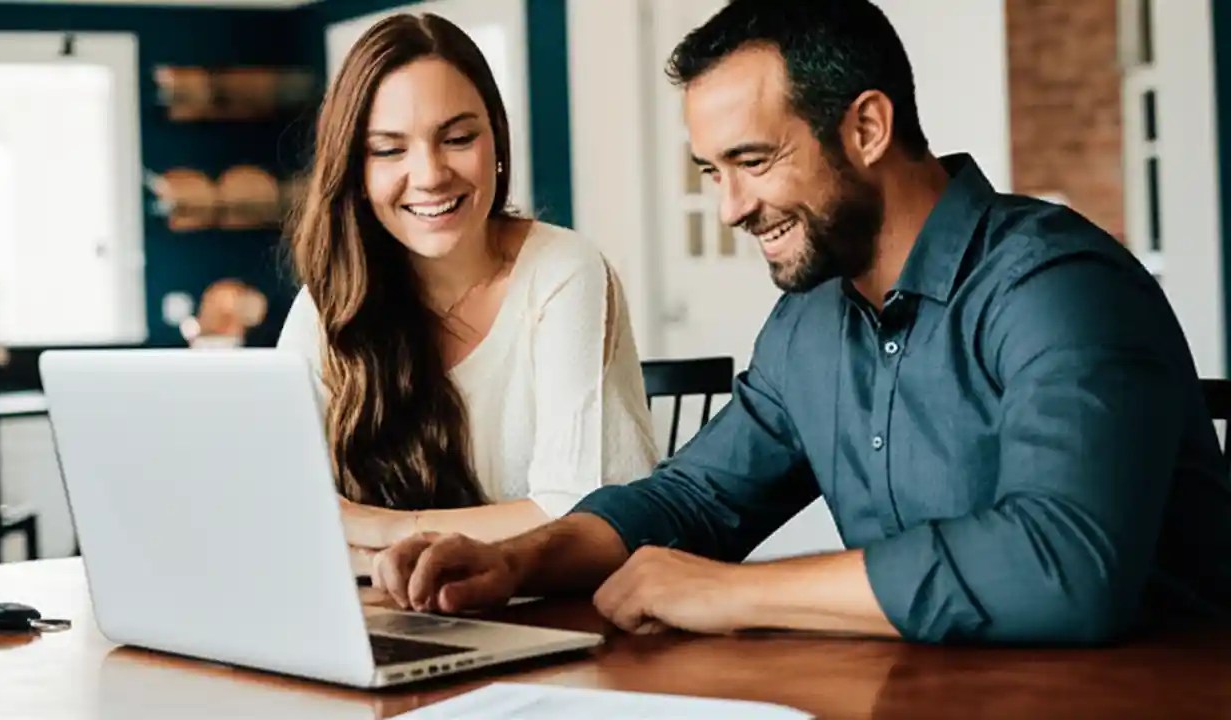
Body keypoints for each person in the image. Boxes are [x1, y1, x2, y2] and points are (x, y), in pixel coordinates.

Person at [364, 0, 1231, 644]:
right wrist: (516, 562)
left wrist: (730, 594)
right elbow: (692, 498)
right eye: (711, 169)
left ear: (865, 127)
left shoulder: (1057, 282)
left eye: (753, 160)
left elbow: (1061, 567)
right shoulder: (811, 323)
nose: (732, 206)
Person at [277, 13, 658, 571]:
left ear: (496, 141)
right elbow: (282, 505)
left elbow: (580, 511)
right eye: (388, 150)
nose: (430, 174)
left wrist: (382, 527)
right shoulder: (331, 301)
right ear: (355, 171)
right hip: (388, 616)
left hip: (564, 614)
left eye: (457, 139)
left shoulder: (563, 272)